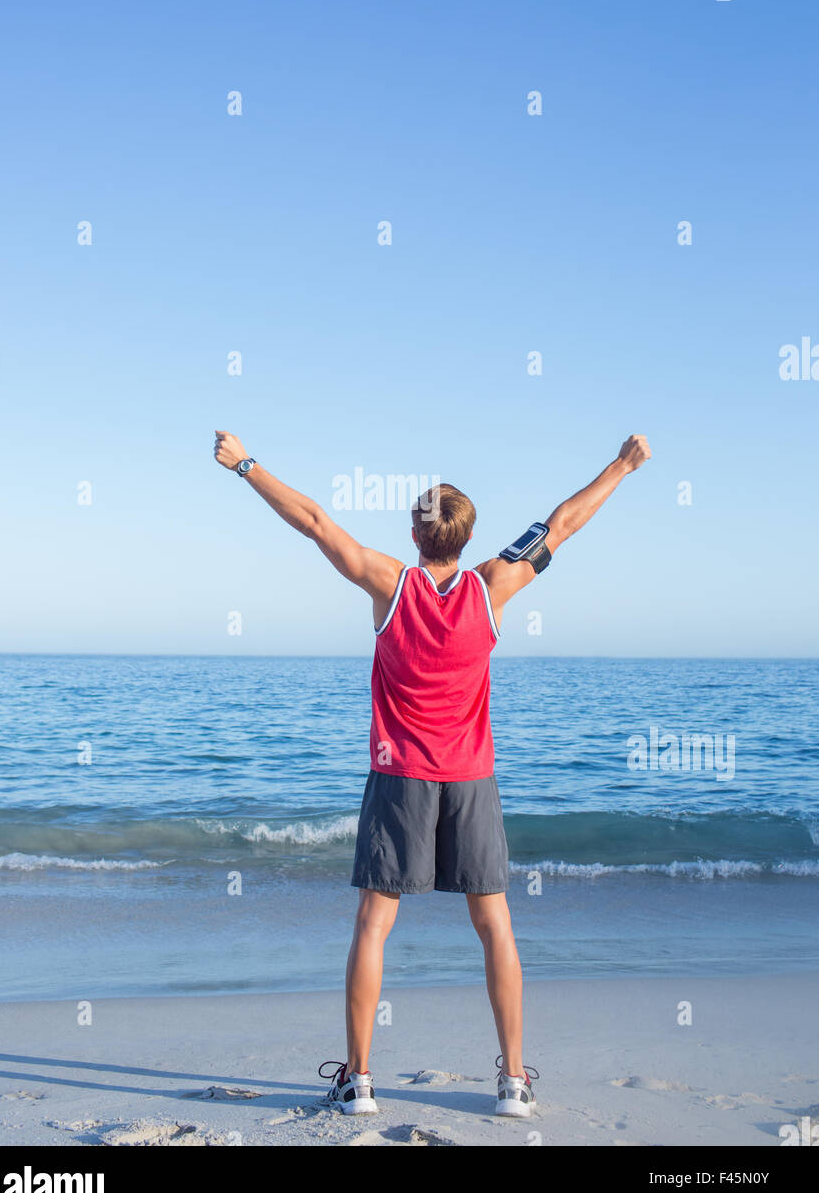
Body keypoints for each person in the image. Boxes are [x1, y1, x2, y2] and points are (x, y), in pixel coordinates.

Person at [213, 430, 652, 1118]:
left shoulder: (389, 584)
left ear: (416, 535)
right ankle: (513, 1083)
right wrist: (622, 466)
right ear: (468, 537)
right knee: (494, 924)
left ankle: (359, 1082)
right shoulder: (494, 584)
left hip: (400, 779)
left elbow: (316, 522)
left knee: (373, 924)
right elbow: (563, 524)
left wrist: (245, 465)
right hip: (471, 780)